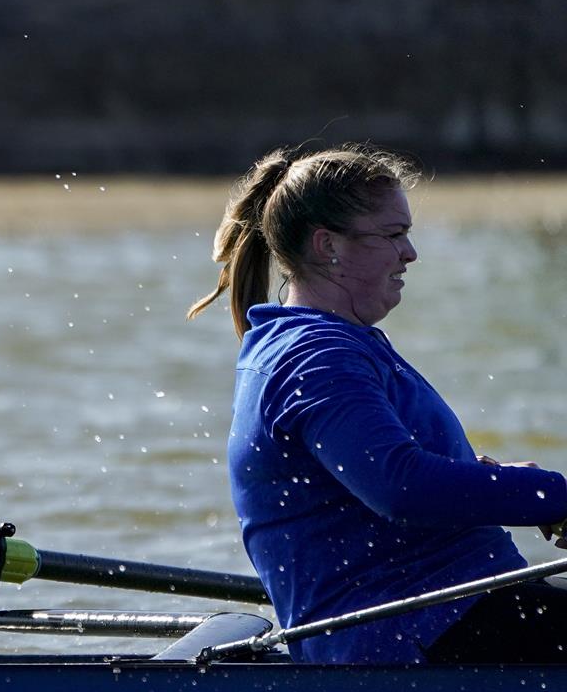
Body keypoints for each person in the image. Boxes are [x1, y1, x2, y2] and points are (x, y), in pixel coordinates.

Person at [188, 144, 567, 664]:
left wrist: (492, 482)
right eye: (393, 236)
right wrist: (552, 494)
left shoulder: (325, 343)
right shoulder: (314, 358)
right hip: (411, 633)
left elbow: (364, 483)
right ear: (328, 246)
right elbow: (401, 487)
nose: (409, 253)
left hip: (450, 611)